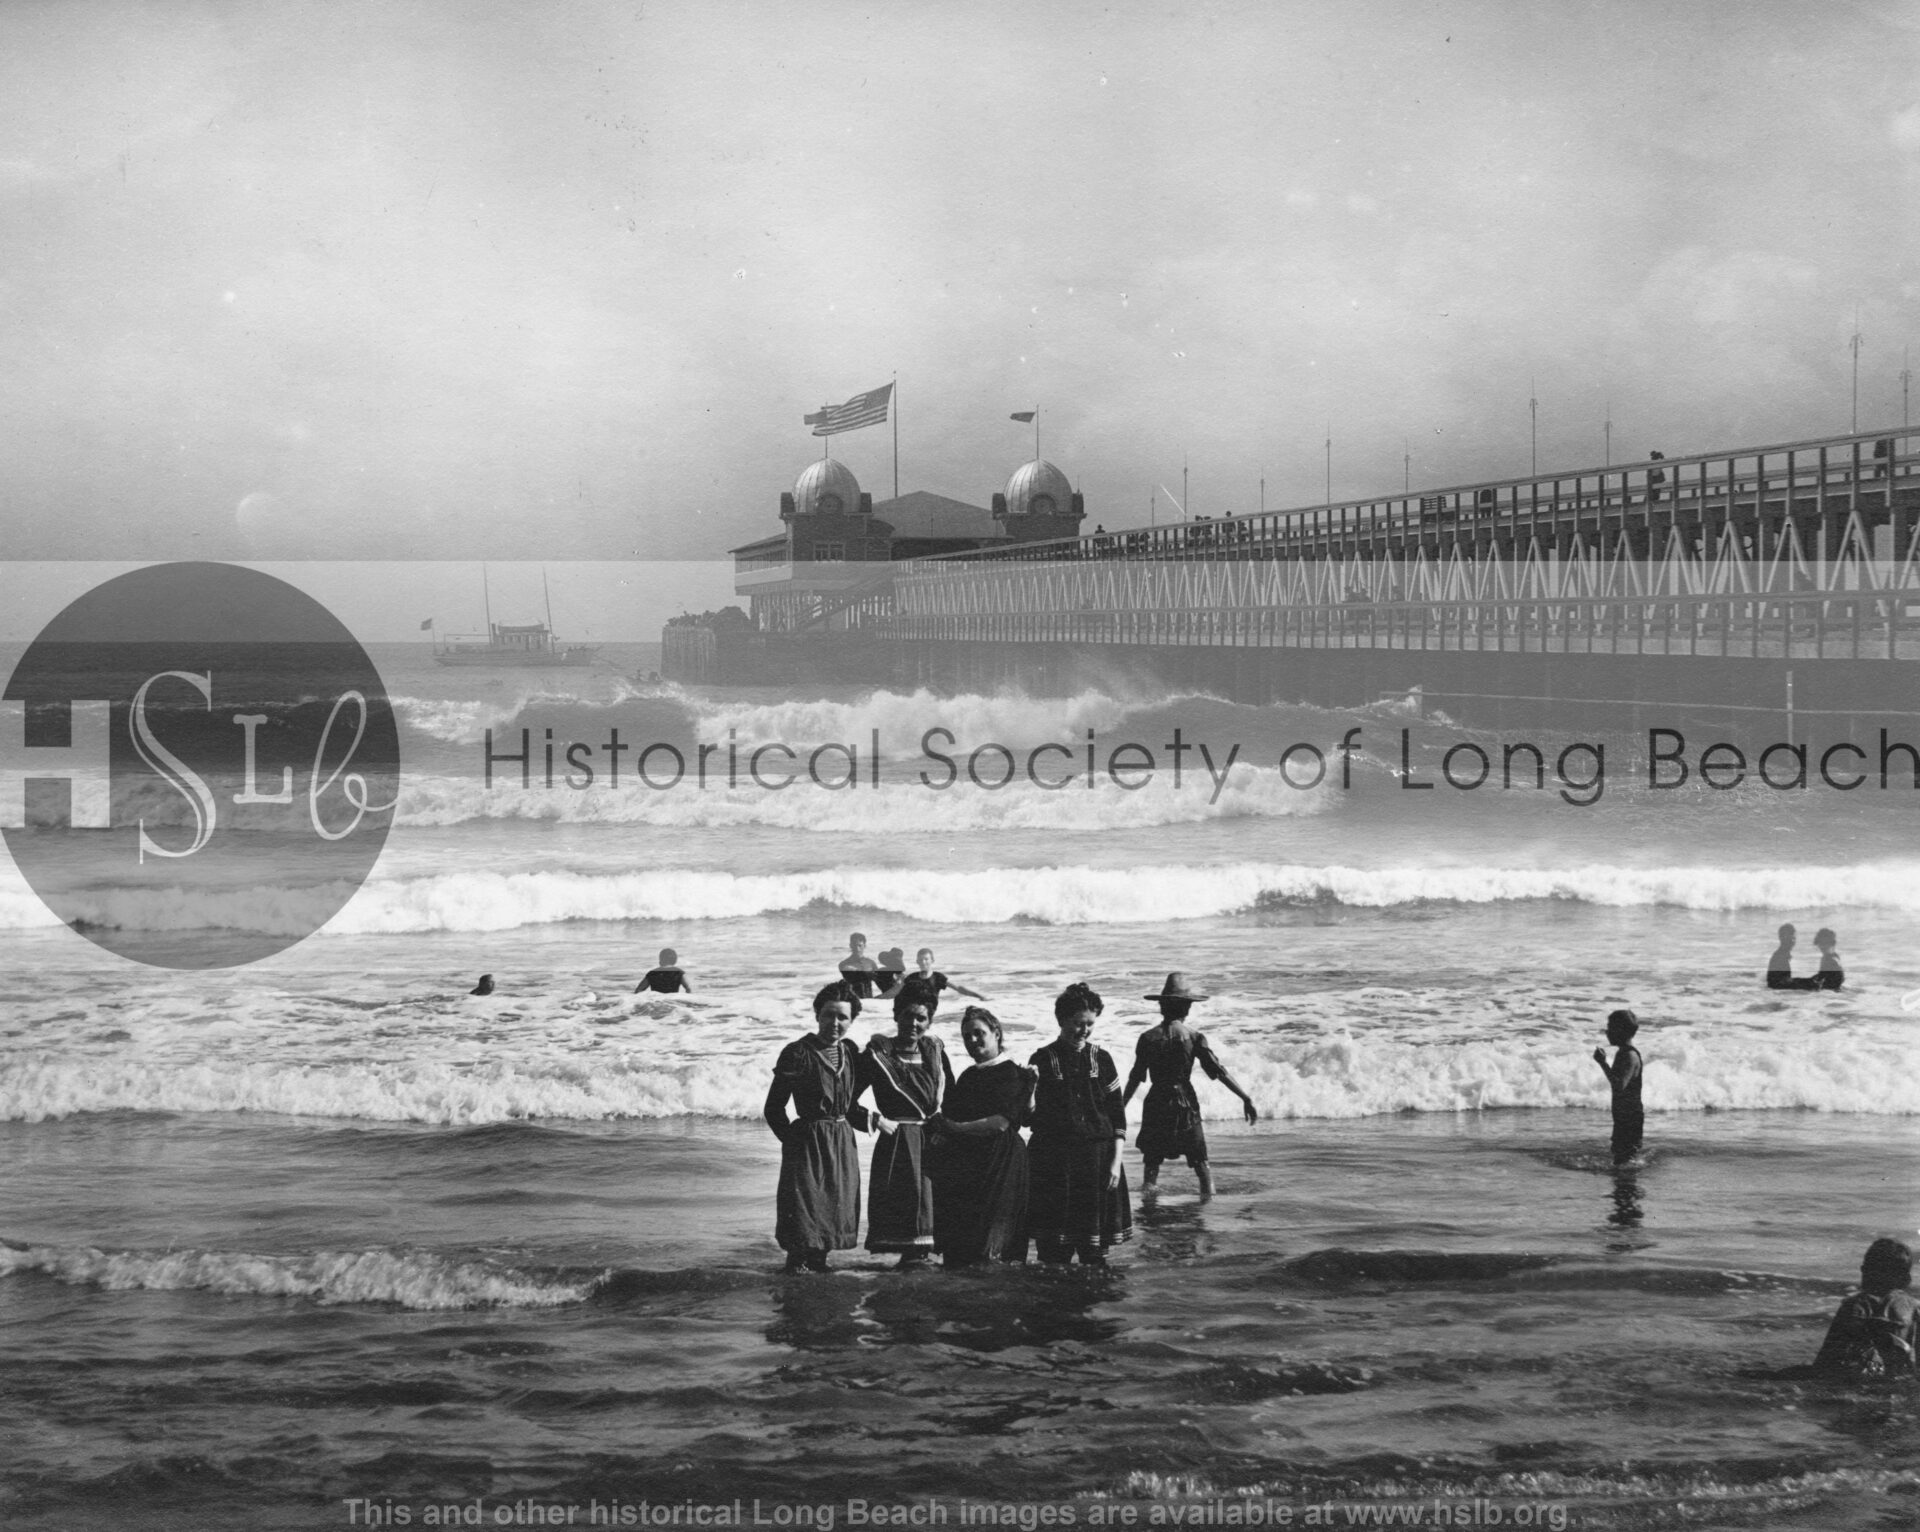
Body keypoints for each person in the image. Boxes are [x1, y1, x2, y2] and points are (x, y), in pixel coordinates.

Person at [764, 982, 894, 1274]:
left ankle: (819, 1276)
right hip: (807, 1144)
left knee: (831, 1217)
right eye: (828, 1015)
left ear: (852, 1020)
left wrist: (876, 1119)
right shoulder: (797, 1052)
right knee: (803, 1219)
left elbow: (848, 1107)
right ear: (817, 1015)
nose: (834, 1023)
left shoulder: (850, 1054)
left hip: (841, 1144)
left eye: (842, 1017)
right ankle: (794, 1282)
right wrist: (793, 1142)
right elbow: (773, 1108)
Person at [1122, 973, 1258, 1199]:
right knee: (1202, 1167)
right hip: (1185, 1103)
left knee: (1151, 1167)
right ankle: (1207, 1209)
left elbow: (1135, 1077)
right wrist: (1245, 1098)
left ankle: (1150, 1211)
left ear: (1161, 1006)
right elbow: (1219, 1072)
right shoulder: (1194, 1037)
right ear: (1187, 1008)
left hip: (1157, 1102)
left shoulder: (1147, 1038)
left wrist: (1120, 1107)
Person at [1026, 982, 1132, 1265]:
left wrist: (1115, 1163)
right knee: (1052, 1256)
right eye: (1078, 1023)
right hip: (1055, 1166)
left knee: (1094, 1256)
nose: (1084, 1030)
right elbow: (1030, 1119)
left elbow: (1118, 1115)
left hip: (1098, 1163)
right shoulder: (1042, 1059)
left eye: (1090, 1024)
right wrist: (1030, 1086)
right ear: (1061, 1020)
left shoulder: (1103, 1059)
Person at [926, 1007, 1034, 1268]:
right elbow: (949, 1115)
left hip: (1002, 1162)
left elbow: (999, 1124)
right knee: (966, 1244)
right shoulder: (969, 1075)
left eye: (979, 1033)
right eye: (967, 1036)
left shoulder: (1014, 1072)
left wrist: (954, 1129)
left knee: (994, 1244)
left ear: (996, 1033)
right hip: (971, 1164)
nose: (972, 1041)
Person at [858, 990, 955, 1266]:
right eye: (907, 1016)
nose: (914, 1023)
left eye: (921, 1018)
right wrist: (875, 1119)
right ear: (896, 1016)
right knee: (906, 1212)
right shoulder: (878, 1054)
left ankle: (921, 1266)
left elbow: (953, 1095)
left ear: (930, 1021)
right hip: (898, 1140)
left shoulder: (935, 1051)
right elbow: (847, 1099)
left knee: (931, 1210)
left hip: (932, 1139)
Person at [1814, 1238, 1918, 1378]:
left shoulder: (1854, 1305)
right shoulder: (1914, 1309)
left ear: (1866, 1272)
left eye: (1865, 1268)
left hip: (1853, 1376)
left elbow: (1826, 1358)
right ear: (1906, 1278)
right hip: (1897, 1377)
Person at [1591, 1009, 1644, 1164]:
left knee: (1625, 1160)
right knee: (1621, 1157)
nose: (1607, 1032)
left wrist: (1602, 1063)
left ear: (1621, 1030)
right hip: (1624, 1115)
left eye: (1610, 1028)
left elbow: (1619, 1084)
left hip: (1630, 1117)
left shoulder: (1629, 1056)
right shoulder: (1623, 1053)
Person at [896, 947, 987, 1019]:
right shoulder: (911, 978)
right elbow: (899, 994)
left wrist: (979, 995)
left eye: (926, 959)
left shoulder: (938, 977)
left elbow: (958, 988)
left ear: (932, 960)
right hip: (912, 1015)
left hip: (928, 1016)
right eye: (921, 960)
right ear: (917, 962)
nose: (923, 962)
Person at [837, 932, 880, 999]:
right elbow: (854, 978)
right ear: (850, 945)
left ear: (864, 946)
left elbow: (880, 982)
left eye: (860, 945)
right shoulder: (843, 964)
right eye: (854, 945)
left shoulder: (871, 963)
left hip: (869, 1001)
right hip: (852, 1001)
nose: (857, 949)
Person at [1766, 924, 1800, 990]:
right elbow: (1778, 984)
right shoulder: (1779, 957)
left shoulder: (1781, 955)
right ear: (1781, 938)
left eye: (1793, 937)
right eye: (1790, 936)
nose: (1793, 940)